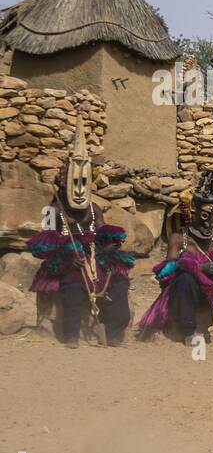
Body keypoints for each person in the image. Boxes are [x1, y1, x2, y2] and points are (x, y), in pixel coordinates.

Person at [26, 116, 134, 347]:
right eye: (74, 182)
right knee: (72, 286)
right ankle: (71, 334)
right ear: (64, 183)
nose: (79, 189)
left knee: (119, 284)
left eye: (84, 183)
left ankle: (114, 331)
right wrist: (65, 257)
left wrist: (108, 247)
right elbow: (44, 247)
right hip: (69, 263)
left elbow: (104, 234)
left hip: (96, 261)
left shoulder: (94, 209)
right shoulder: (54, 208)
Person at [137, 169, 213, 343]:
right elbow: (167, 274)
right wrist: (199, 269)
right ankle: (188, 332)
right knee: (185, 278)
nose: (209, 221)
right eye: (205, 215)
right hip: (188, 293)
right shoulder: (178, 238)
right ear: (194, 210)